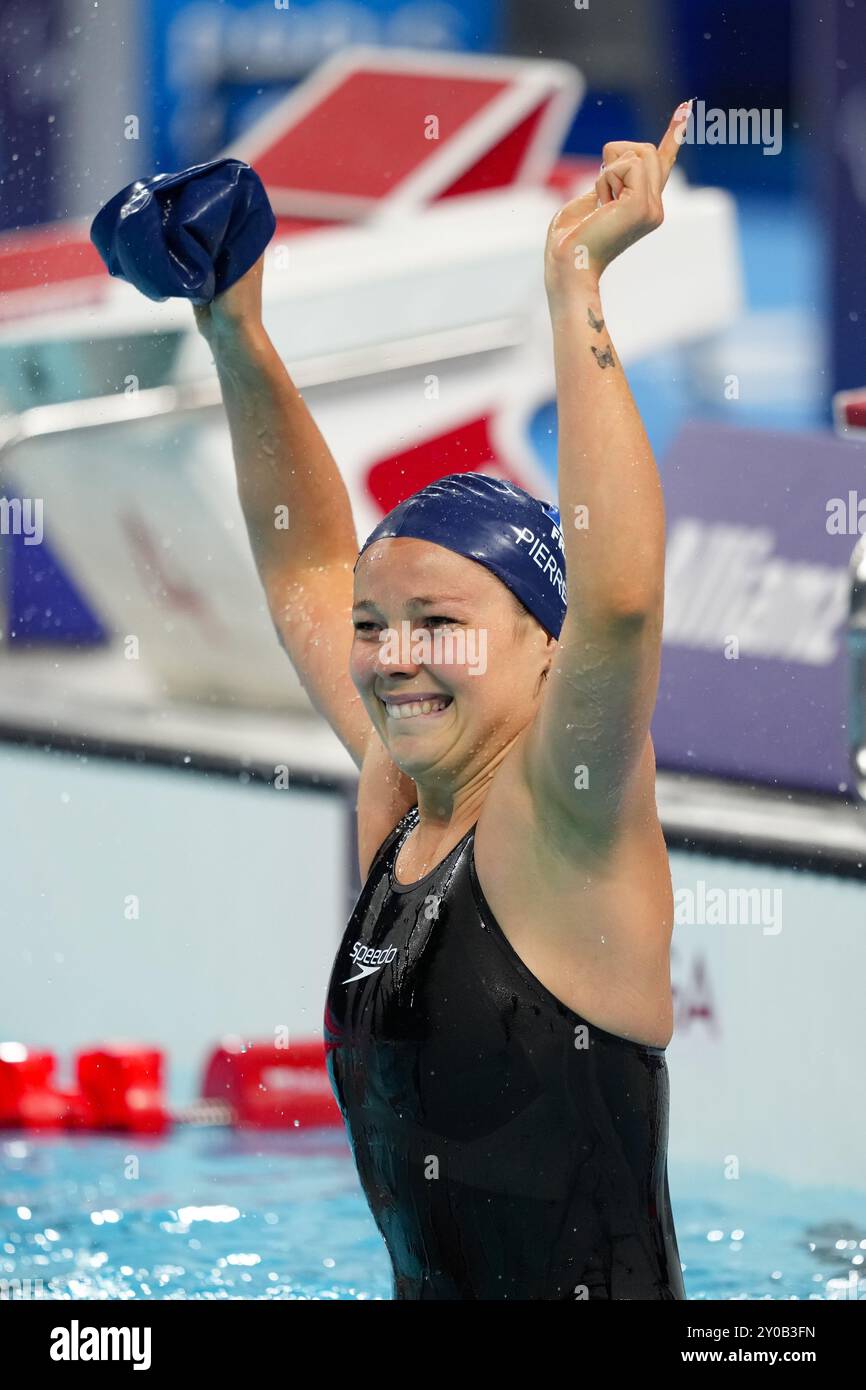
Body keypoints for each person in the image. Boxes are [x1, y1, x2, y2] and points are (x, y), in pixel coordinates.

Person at [194, 101, 693, 1300]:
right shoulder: (404, 791)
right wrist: (234, 332)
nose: (390, 656)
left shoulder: (562, 815)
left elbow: (619, 596)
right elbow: (304, 565)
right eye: (376, 628)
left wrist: (574, 279)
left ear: (542, 652)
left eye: (438, 625)